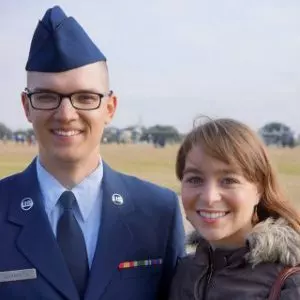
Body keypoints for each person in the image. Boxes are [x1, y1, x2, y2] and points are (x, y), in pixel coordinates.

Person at [0, 6, 185, 300]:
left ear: (109, 108)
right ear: (26, 106)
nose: (65, 114)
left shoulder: (158, 212)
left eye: (85, 97)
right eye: (47, 96)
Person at [169, 117, 300, 299]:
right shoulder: (183, 272)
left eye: (229, 180)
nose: (209, 198)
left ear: (259, 189)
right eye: (195, 179)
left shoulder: (290, 283)